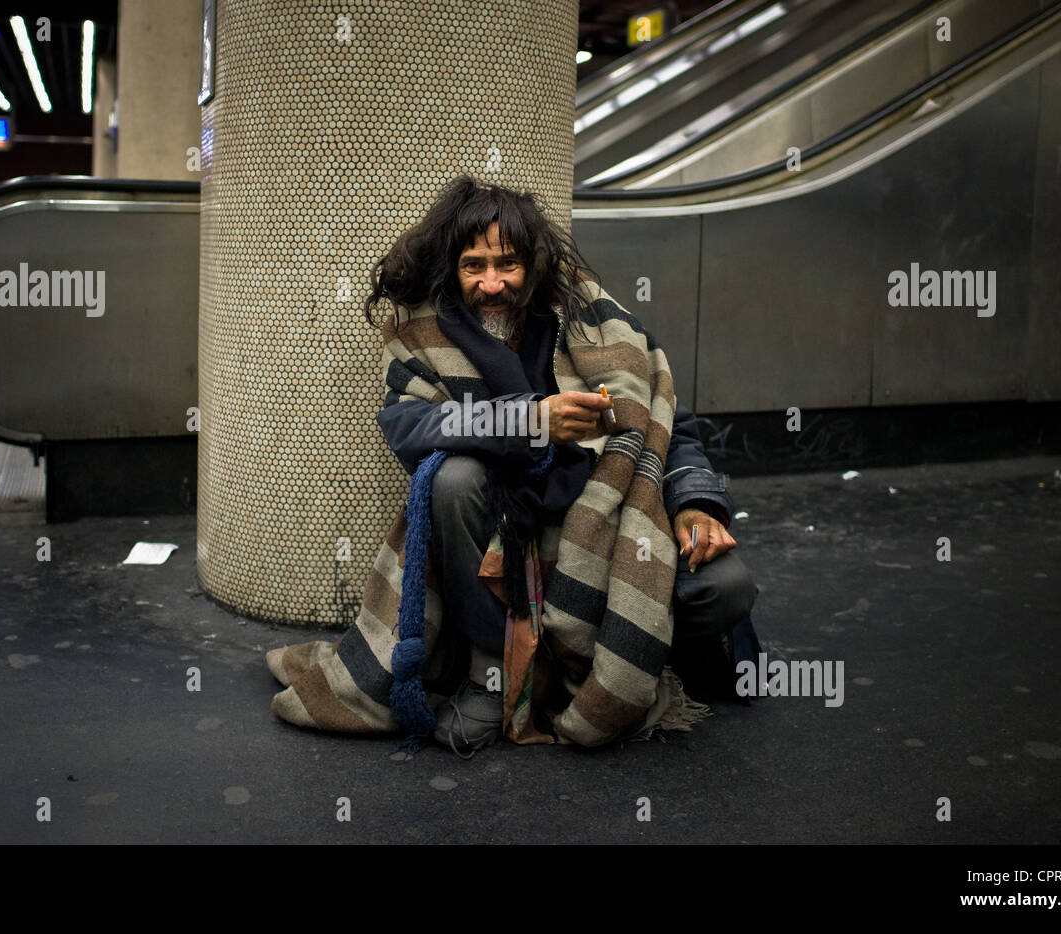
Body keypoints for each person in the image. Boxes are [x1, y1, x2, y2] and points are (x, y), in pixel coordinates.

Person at [266, 175, 762, 756]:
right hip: (505, 540)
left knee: (727, 586)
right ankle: (488, 679)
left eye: (508, 265)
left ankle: (634, 661)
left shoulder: (589, 315)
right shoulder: (420, 330)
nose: (492, 283)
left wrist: (695, 503)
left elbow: (666, 421)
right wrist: (530, 420)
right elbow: (410, 429)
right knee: (450, 479)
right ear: (451, 266)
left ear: (533, 263)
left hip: (611, 527)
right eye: (474, 266)